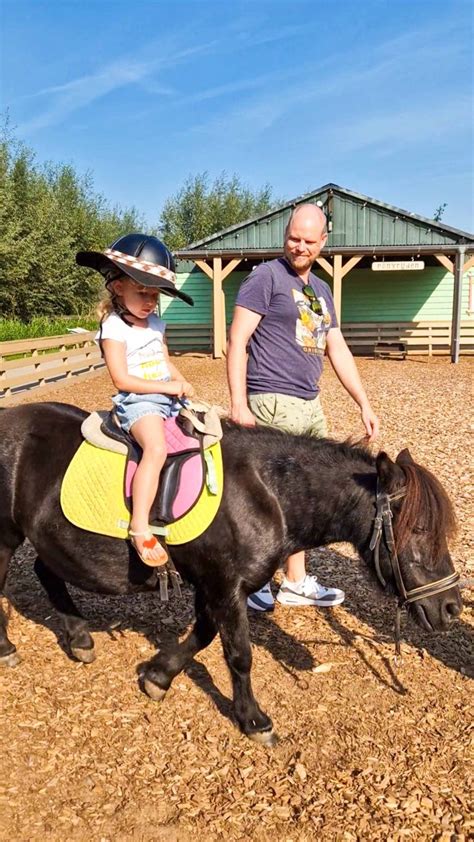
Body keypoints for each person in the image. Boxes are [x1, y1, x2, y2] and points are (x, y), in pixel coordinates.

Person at [227, 204, 379, 611]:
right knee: (268, 498)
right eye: (294, 238)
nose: (300, 246)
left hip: (309, 402)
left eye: (309, 241)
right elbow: (237, 340)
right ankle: (255, 581)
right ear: (285, 234)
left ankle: (294, 582)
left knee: (304, 497)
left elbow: (336, 347)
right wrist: (239, 403)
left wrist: (363, 402)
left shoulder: (321, 290)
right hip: (272, 399)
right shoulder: (265, 278)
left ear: (323, 242)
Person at [76, 234, 195, 567]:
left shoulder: (156, 324)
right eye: (142, 292)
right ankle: (140, 526)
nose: (149, 301)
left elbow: (164, 362)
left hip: (165, 396)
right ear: (118, 288)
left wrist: (181, 381)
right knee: (156, 449)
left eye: (155, 295)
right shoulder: (114, 328)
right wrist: (166, 389)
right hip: (138, 402)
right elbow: (121, 379)